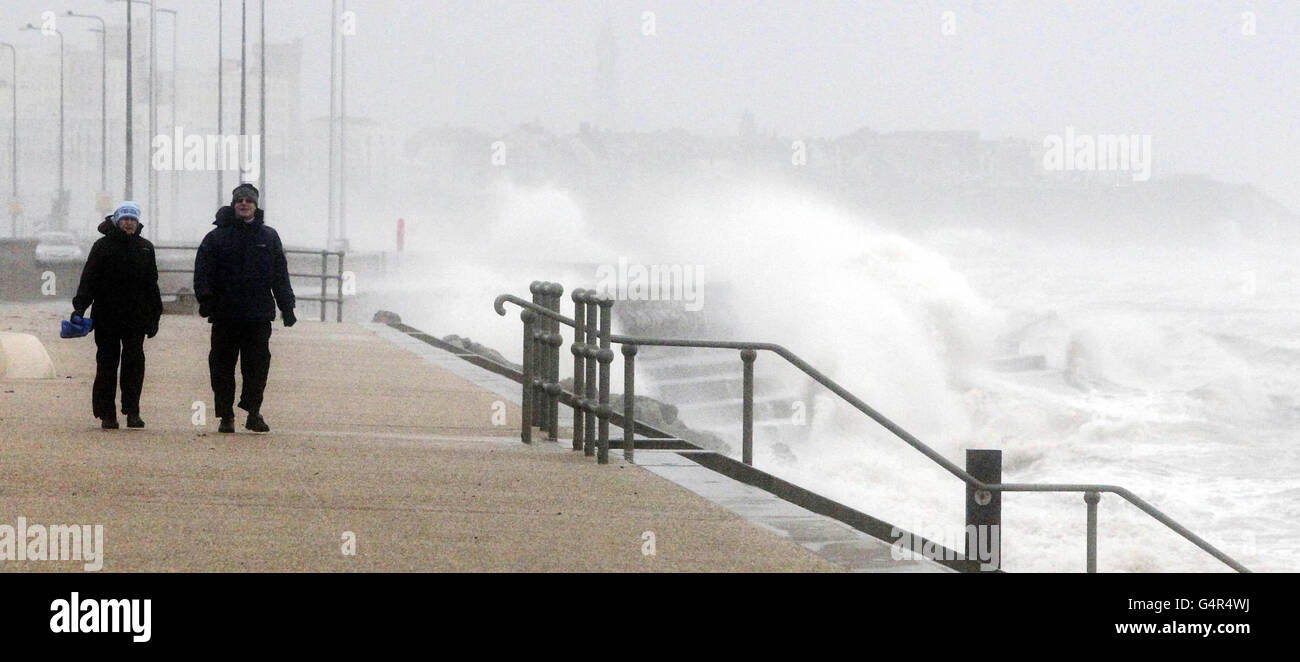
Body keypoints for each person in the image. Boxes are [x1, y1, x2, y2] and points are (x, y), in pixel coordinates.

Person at [194, 183, 296, 433]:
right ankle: (225, 415)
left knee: (257, 367)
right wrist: (206, 299)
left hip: (258, 314)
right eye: (240, 200)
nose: (244, 204)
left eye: (249, 200)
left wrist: (287, 306)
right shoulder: (216, 237)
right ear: (233, 203)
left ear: (256, 204)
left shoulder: (269, 237)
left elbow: (280, 275)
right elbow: (203, 271)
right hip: (225, 314)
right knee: (221, 366)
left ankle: (253, 412)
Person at [71, 201, 163, 429]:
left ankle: (132, 411)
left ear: (137, 221)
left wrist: (154, 317)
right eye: (125, 218)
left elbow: (152, 285)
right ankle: (107, 413)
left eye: (133, 218)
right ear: (117, 220)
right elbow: (88, 280)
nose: (129, 222)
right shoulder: (101, 247)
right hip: (106, 317)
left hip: (136, 318)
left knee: (134, 365)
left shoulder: (146, 248)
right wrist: (79, 308)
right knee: (106, 364)